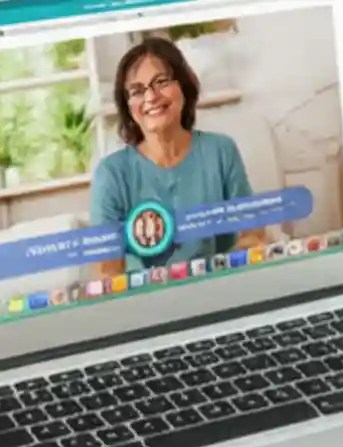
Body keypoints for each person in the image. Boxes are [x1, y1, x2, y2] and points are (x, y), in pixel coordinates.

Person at [89, 36, 266, 276]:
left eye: (161, 82)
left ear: (184, 86)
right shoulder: (111, 174)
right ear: (127, 106)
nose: (151, 97)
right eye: (137, 91)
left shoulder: (221, 151)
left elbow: (252, 235)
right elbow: (106, 269)